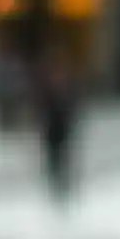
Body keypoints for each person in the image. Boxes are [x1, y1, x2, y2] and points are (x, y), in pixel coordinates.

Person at [35, 46, 79, 206]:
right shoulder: (46, 89)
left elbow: (72, 106)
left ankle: (63, 183)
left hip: (62, 128)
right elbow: (41, 108)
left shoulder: (68, 87)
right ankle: (55, 182)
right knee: (53, 157)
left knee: (63, 156)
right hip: (51, 129)